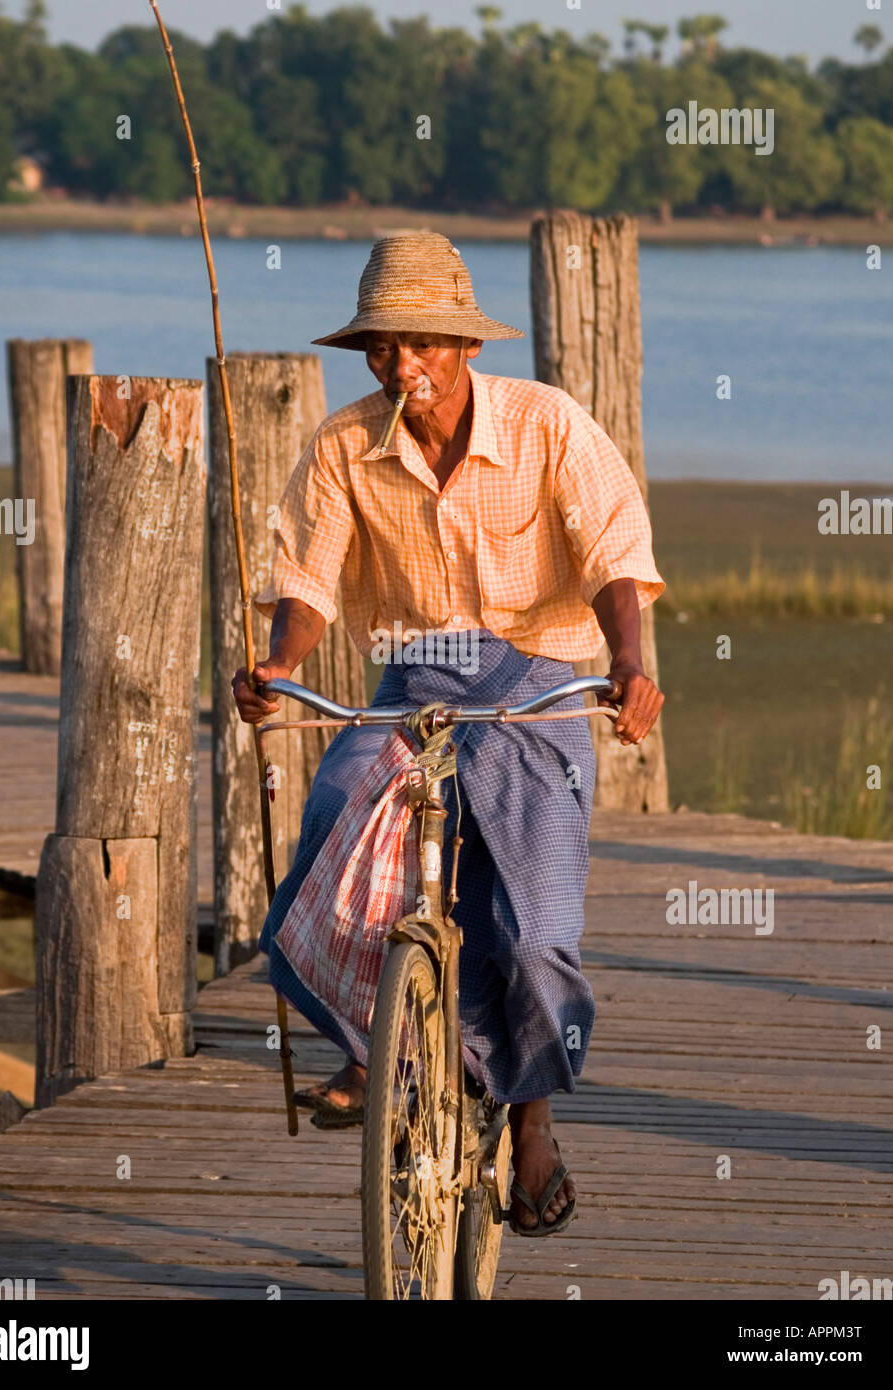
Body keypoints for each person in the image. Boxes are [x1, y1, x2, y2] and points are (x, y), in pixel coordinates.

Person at [232, 231, 665, 1235]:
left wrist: (630, 664)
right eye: (382, 346)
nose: (402, 364)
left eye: (421, 342)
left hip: (540, 677)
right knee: (338, 817)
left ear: (464, 343)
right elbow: (306, 578)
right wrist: (280, 664)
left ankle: (531, 1117)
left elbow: (613, 551)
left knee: (533, 916)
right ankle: (375, 1039)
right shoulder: (344, 444)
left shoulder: (547, 425)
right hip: (415, 674)